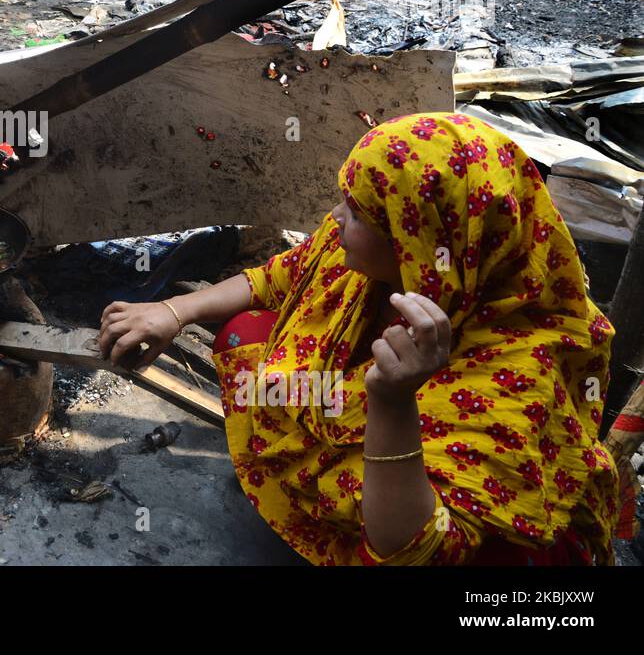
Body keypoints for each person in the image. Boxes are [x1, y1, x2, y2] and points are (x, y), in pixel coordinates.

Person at [98, 113, 620, 565]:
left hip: (414, 520)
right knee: (244, 334)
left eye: (359, 212)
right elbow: (280, 276)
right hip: (349, 425)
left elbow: (415, 547)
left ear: (419, 241)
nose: (334, 218)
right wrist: (172, 310)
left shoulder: (518, 372)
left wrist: (392, 402)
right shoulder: (392, 259)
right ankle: (297, 488)